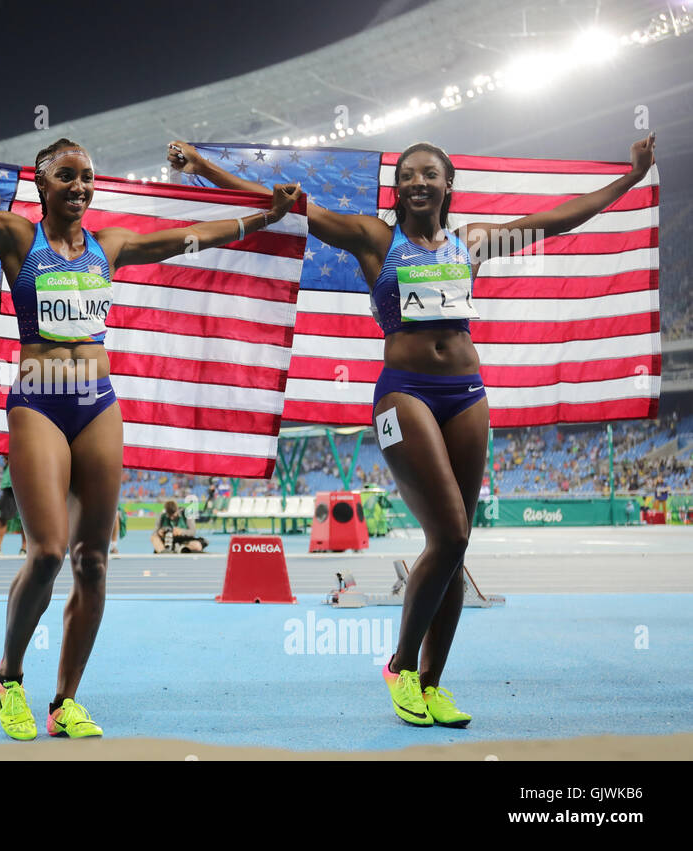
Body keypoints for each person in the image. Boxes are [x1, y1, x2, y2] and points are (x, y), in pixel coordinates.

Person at [0, 113, 298, 740]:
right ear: (42, 184)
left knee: (93, 562)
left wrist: (264, 217)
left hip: (97, 404)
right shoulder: (17, 237)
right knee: (48, 552)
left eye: (87, 178)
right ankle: (11, 676)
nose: (80, 186)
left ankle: (65, 700)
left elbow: (189, 236)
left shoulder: (111, 245)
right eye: (67, 176)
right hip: (39, 402)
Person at [170, 132, 656, 728]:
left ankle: (431, 684)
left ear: (448, 185)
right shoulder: (376, 239)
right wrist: (201, 165)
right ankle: (400, 667)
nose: (417, 182)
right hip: (404, 393)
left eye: (429, 174)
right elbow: (289, 206)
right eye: (407, 176)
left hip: (468, 395)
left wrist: (630, 179)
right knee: (449, 535)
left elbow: (555, 220)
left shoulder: (472, 242)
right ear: (396, 190)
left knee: (456, 546)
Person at [0, 458, 25, 555]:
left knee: (27, 521)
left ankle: (24, 549)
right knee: (3, 518)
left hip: (27, 484)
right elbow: (5, 456)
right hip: (9, 485)